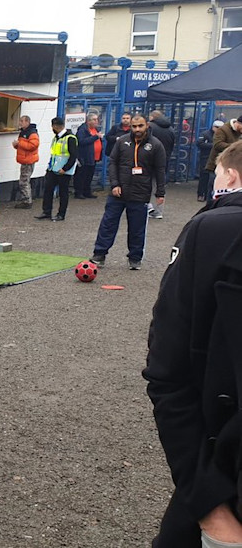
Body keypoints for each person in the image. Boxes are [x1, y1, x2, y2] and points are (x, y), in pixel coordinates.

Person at [143, 140, 242, 547]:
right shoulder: (215, 234)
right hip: (226, 494)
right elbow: (168, 371)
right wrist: (213, 512)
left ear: (229, 176)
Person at [88, 113, 166, 270]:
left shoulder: (156, 145)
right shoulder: (122, 141)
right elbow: (113, 163)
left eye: (140, 126)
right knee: (108, 224)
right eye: (134, 126)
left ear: (147, 126)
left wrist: (160, 192)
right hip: (118, 192)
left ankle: (135, 258)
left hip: (140, 192)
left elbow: (160, 170)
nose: (137, 129)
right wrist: (114, 184)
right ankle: (99, 254)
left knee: (137, 227)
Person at [34, 117, 78, 222]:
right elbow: (54, 154)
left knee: (63, 193)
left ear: (55, 126)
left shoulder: (70, 138)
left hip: (64, 171)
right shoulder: (56, 137)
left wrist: (65, 169)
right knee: (48, 190)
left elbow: (73, 156)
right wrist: (49, 167)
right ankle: (46, 212)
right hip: (53, 169)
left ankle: (61, 214)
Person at [206, 117, 242, 202]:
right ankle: (210, 207)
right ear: (239, 123)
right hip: (217, 165)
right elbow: (217, 144)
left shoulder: (237, 131)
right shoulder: (222, 130)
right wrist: (235, 147)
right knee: (214, 189)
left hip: (231, 165)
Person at [148, 110, 176, 219]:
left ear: (152, 117)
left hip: (149, 160)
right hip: (164, 160)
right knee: (160, 186)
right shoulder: (170, 129)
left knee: (147, 184)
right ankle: (159, 211)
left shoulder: (150, 127)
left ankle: (148, 206)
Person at [11, 115, 39, 209]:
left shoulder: (32, 133)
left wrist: (19, 144)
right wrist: (16, 145)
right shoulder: (23, 132)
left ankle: (27, 201)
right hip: (25, 159)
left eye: (22, 121)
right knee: (24, 180)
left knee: (24, 181)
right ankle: (26, 199)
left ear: (27, 122)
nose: (20, 123)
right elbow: (24, 146)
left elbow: (33, 146)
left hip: (28, 160)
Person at [74, 112, 102, 199]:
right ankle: (79, 193)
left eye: (97, 119)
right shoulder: (83, 130)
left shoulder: (95, 130)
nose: (96, 121)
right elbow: (81, 141)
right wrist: (95, 137)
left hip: (94, 158)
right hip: (85, 157)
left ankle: (87, 192)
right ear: (88, 121)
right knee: (81, 176)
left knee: (89, 176)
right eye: (94, 119)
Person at [196, 121, 219, 201]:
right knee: (203, 177)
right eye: (217, 128)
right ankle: (201, 194)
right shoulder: (205, 134)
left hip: (215, 159)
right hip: (205, 158)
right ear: (213, 127)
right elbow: (199, 143)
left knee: (212, 178)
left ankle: (208, 195)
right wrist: (213, 145)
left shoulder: (220, 135)